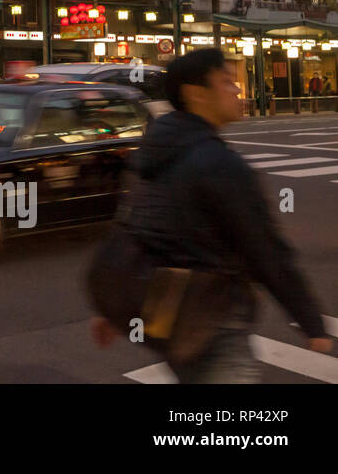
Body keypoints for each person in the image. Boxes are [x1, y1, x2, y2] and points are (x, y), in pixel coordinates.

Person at [91, 48, 332, 382]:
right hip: (214, 321)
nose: (237, 91)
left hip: (172, 319)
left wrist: (118, 307)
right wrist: (310, 321)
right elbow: (265, 250)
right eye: (226, 82)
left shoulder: (156, 151)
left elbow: (141, 232)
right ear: (196, 93)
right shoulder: (219, 164)